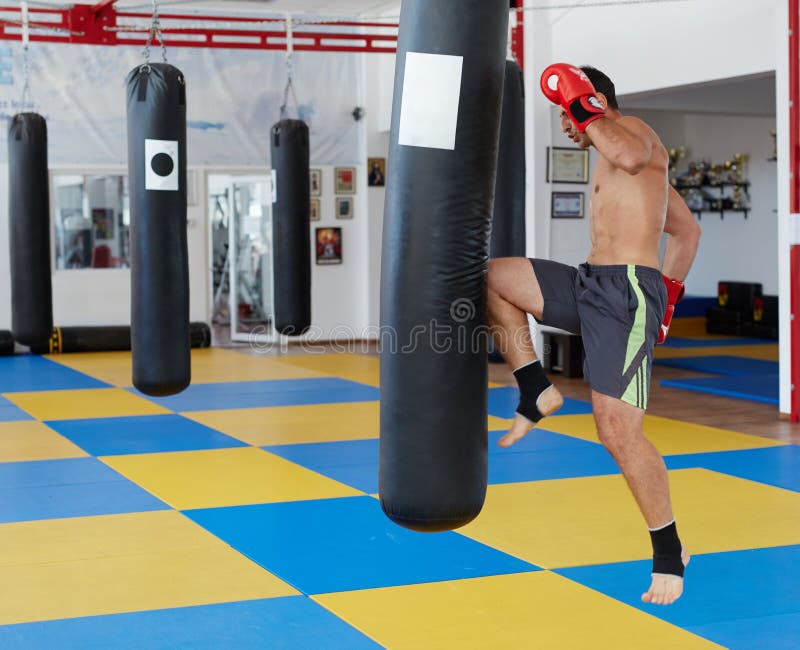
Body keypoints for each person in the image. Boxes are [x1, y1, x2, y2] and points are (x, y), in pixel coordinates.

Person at [487, 64, 701, 606]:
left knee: (617, 431)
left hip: (626, 294)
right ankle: (536, 386)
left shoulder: (638, 136)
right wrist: (673, 296)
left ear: (594, 98)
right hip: (591, 283)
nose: (565, 121)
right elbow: (686, 228)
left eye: (568, 108)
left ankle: (669, 549)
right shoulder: (618, 157)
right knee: (490, 277)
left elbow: (630, 153)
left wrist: (657, 302)